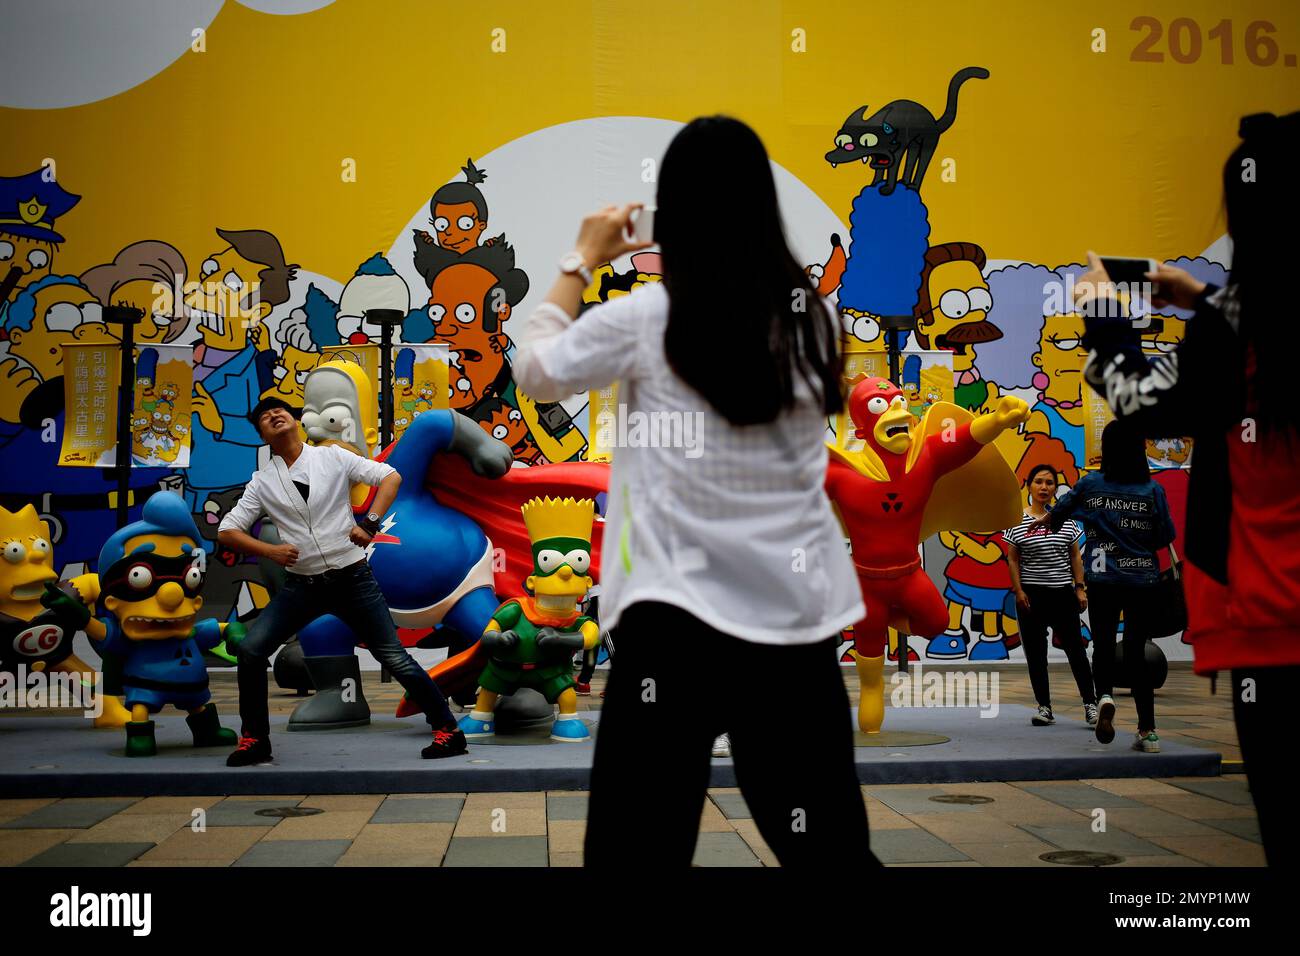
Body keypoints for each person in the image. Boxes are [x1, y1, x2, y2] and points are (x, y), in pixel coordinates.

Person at [513, 116, 875, 867]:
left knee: (635, 852)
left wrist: (580, 259)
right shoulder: (816, 323)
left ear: (670, 214)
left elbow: (537, 370)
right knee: (829, 850)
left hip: (671, 629)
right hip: (794, 628)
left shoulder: (647, 318)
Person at [1075, 111, 1300, 863]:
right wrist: (1205, 302)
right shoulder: (1235, 324)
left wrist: (1107, 317)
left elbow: (1136, 400)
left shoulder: (1234, 330)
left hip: (1276, 619)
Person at [215, 396, 466, 766]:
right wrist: (270, 552)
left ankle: (448, 730)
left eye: (279, 411)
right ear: (263, 436)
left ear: (296, 420)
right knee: (251, 651)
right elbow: (227, 531)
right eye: (265, 418)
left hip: (352, 578)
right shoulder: (262, 483)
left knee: (393, 656)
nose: (273, 415)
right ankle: (254, 740)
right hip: (302, 585)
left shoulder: (330, 456)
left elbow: (390, 477)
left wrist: (370, 523)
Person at [1036, 422, 1174, 752]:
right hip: (1143, 580)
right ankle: (1147, 731)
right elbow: (1165, 536)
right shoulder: (1153, 490)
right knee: (1138, 649)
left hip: (1102, 577)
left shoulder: (1092, 484)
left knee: (1102, 643)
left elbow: (1060, 512)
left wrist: (1049, 519)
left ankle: (1105, 697)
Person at [1005, 464, 1095, 727]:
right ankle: (1044, 707)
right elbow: (1012, 559)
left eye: (1049, 483)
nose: (1044, 487)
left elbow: (1075, 554)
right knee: (1036, 654)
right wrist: (1019, 591)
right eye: (1039, 482)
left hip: (1062, 594)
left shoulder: (1064, 519)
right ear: (1029, 486)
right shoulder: (1015, 520)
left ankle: (1090, 705)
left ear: (1056, 488)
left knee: (1076, 651)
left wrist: (1079, 588)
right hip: (1030, 596)